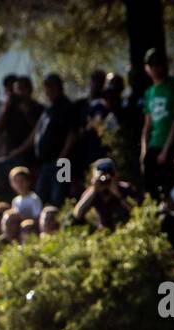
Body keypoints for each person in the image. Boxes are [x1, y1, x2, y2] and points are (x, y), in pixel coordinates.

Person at [139, 48, 174, 197]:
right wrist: (144, 151)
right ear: (146, 68)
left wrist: (166, 150)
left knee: (173, 187)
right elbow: (147, 125)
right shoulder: (149, 92)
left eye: (158, 64)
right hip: (155, 145)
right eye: (152, 65)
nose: (155, 68)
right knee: (151, 189)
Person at [32, 73, 80, 204]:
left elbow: (72, 134)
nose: (48, 90)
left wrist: (62, 156)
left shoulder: (66, 107)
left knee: (60, 195)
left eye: (51, 87)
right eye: (46, 87)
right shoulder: (49, 109)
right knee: (41, 195)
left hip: (63, 162)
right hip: (46, 162)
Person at [72, 158, 138, 229]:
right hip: (104, 233)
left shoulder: (125, 188)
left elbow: (137, 213)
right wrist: (94, 190)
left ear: (116, 175)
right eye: (101, 177)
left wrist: (118, 194)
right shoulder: (93, 193)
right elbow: (77, 214)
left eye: (110, 175)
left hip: (129, 228)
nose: (106, 180)